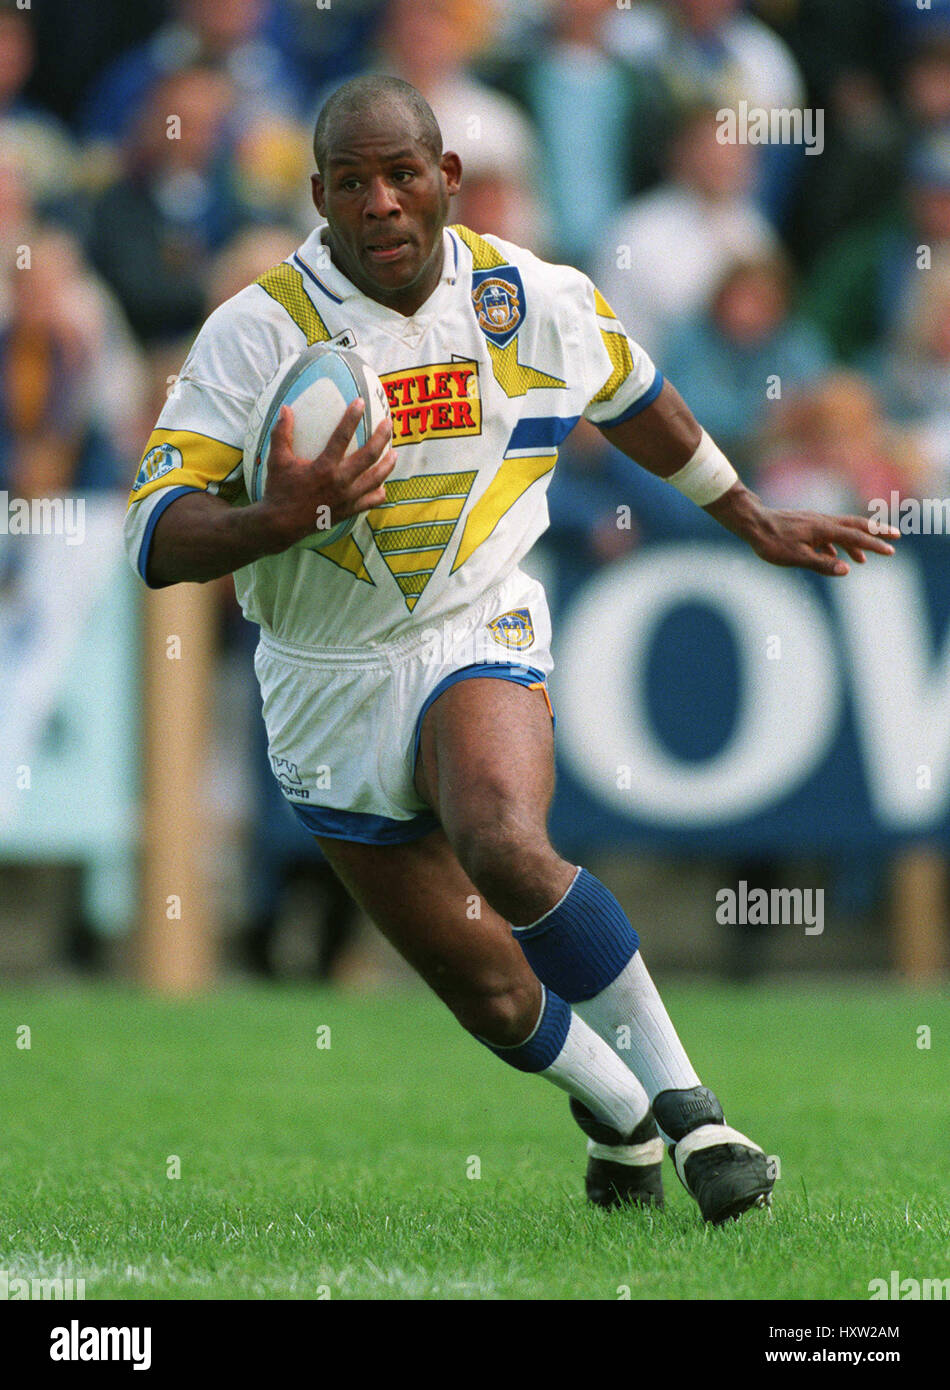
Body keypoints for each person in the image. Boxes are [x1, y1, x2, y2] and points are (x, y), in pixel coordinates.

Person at [123, 75, 897, 1225]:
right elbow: (154, 534)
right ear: (319, 197)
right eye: (352, 182)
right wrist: (279, 518)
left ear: (448, 178)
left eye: (401, 174)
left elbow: (632, 394)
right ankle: (621, 1120)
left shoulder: (526, 295)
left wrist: (745, 512)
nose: (380, 201)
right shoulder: (259, 331)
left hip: (470, 621)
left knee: (500, 833)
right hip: (321, 680)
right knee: (490, 994)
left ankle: (690, 1112)